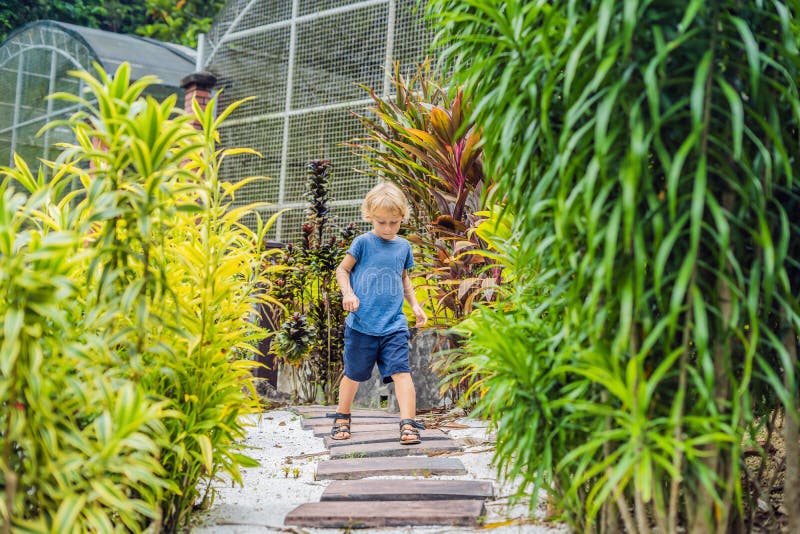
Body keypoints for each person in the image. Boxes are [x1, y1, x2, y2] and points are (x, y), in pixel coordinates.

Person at [331, 182, 427, 444]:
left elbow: (404, 279)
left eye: (394, 223)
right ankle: (342, 415)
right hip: (361, 324)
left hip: (394, 325)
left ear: (402, 218)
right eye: (381, 222)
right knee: (353, 374)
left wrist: (415, 305)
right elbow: (343, 270)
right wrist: (348, 294)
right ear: (369, 216)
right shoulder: (362, 242)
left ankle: (408, 424)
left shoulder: (403, 247)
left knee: (401, 371)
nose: (387, 228)